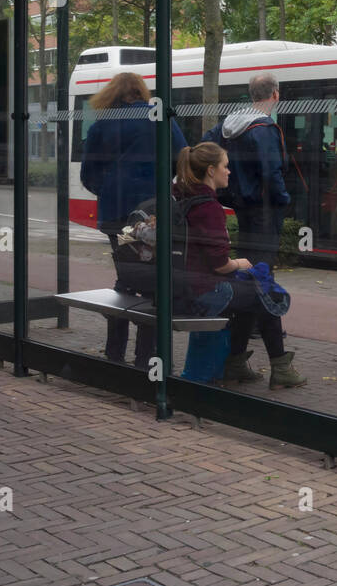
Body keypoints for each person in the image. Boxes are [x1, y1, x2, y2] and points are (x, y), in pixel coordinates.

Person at [173, 142, 306, 389]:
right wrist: (240, 263)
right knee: (266, 292)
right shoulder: (209, 208)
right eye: (225, 166)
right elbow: (220, 265)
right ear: (211, 170)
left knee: (250, 294)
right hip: (201, 292)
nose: (229, 171)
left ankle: (237, 364)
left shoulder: (184, 197)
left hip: (183, 285)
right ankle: (280, 368)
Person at [80, 72, 187, 367]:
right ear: (141, 91)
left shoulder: (103, 124)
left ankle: (115, 352)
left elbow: (89, 175)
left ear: (112, 94)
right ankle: (146, 358)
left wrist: (111, 189)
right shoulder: (160, 117)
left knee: (126, 277)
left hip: (117, 216)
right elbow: (183, 156)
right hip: (154, 213)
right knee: (153, 281)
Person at [203, 72, 289, 268]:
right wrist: (283, 199)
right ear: (275, 94)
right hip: (263, 205)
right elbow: (271, 172)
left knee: (246, 256)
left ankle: (245, 291)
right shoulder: (265, 129)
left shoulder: (228, 124)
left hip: (238, 201)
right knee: (263, 260)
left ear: (252, 95)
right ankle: (260, 295)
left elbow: (203, 148)